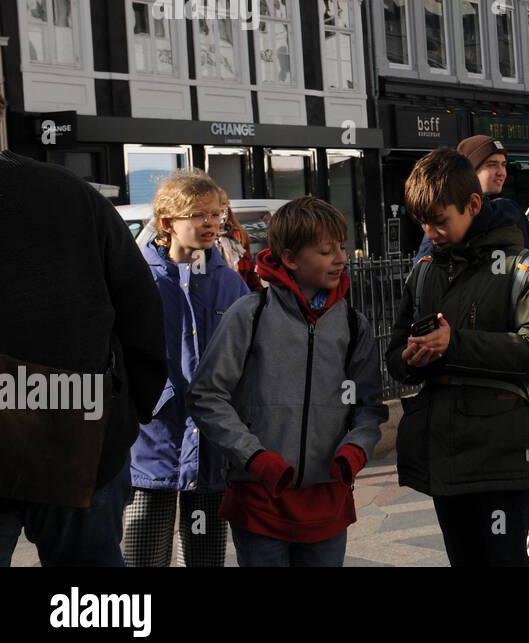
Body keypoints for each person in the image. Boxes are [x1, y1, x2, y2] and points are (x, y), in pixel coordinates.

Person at [187, 197, 388, 566]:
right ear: (292, 259)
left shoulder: (355, 324)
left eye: (341, 247)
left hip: (328, 500)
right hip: (260, 499)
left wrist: (356, 448)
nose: (340, 258)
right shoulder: (249, 314)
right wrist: (254, 456)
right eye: (326, 251)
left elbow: (368, 405)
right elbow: (207, 395)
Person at [388, 150, 529, 566]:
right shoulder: (425, 268)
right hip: (444, 454)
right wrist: (412, 357)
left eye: (441, 221)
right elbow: (394, 355)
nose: (431, 232)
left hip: (501, 453)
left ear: (473, 205)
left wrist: (456, 343)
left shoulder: (521, 267)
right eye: (423, 222)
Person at [0, 151, 166, 567]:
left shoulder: (69, 193)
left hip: (83, 437)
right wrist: (129, 412)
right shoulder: (71, 192)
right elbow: (141, 311)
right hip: (80, 429)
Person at [124, 170, 249, 567]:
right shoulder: (137, 280)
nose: (211, 223)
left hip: (212, 444)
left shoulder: (229, 284)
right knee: (144, 556)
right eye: (197, 214)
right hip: (152, 442)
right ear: (167, 224)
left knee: (205, 556)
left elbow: (249, 354)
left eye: (216, 214)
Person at [216, 192, 261, 292]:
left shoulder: (239, 236)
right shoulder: (202, 240)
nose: (221, 210)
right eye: (216, 205)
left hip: (242, 299)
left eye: (223, 203)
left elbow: (251, 277)